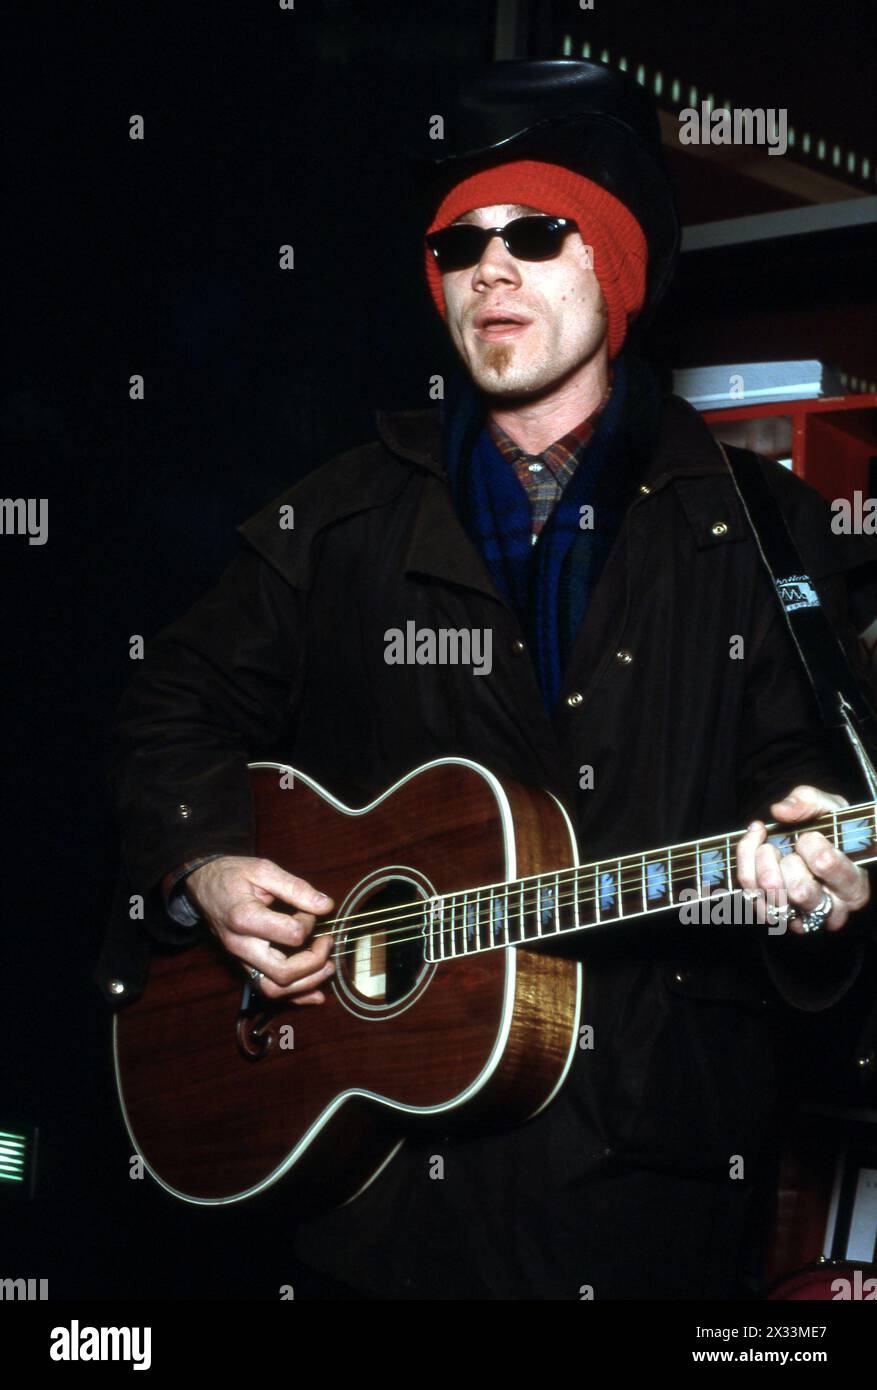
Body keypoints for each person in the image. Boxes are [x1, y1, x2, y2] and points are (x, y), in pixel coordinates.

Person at [103, 59, 876, 1299]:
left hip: (639, 1183)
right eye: (457, 247)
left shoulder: (762, 528)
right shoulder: (343, 514)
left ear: (612, 271)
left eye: (534, 232)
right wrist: (204, 860)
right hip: (373, 1193)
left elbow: (806, 782)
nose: (490, 269)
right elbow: (169, 701)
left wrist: (809, 877)